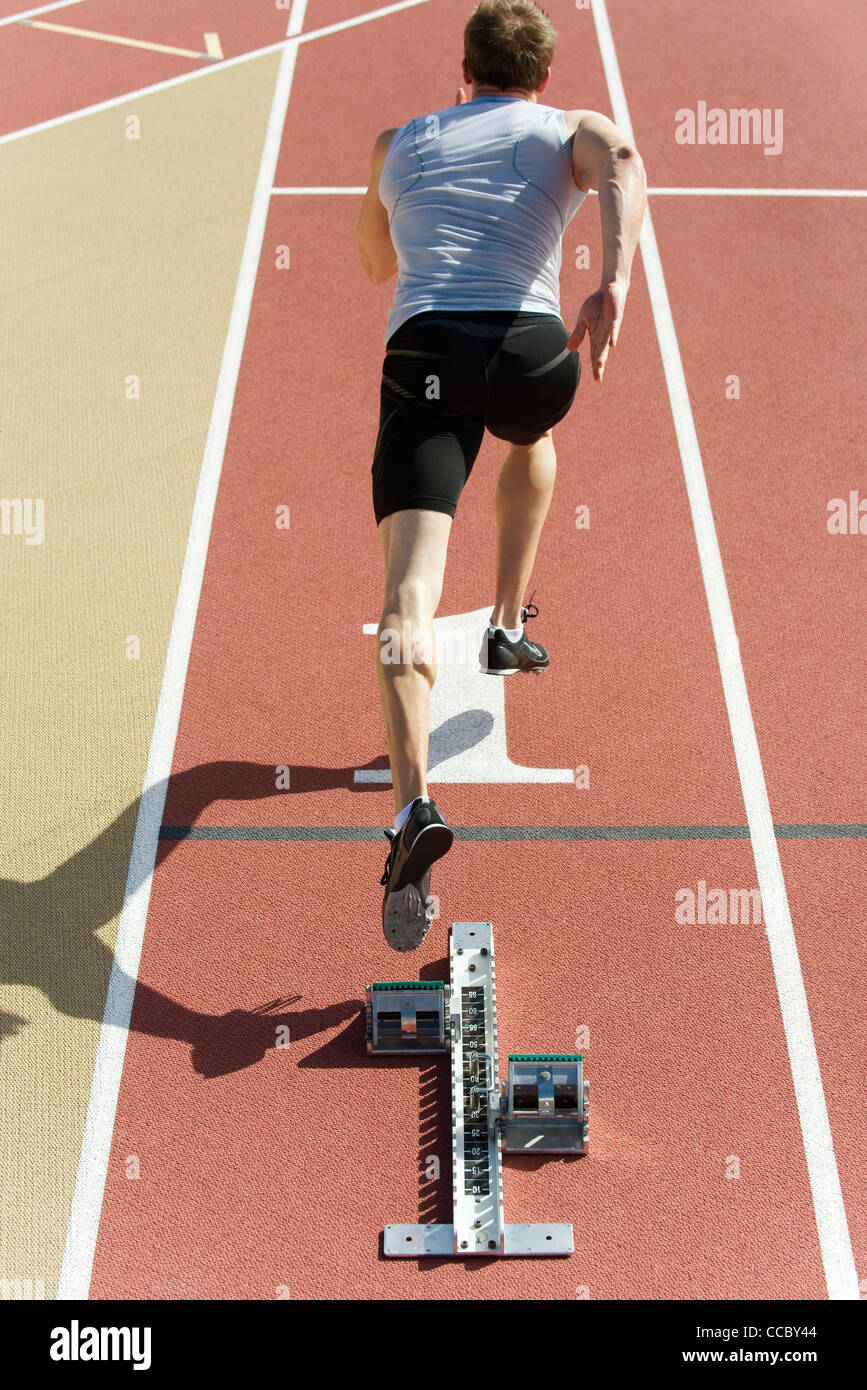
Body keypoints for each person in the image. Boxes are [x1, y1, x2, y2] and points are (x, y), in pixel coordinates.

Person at [357, 0, 646, 951]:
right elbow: (625, 163)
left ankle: (412, 814)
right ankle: (506, 626)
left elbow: (373, 263)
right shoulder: (571, 132)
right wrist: (610, 284)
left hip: (426, 356)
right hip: (529, 356)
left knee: (406, 594)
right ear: (544, 77)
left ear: (465, 68)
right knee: (530, 437)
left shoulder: (400, 140)